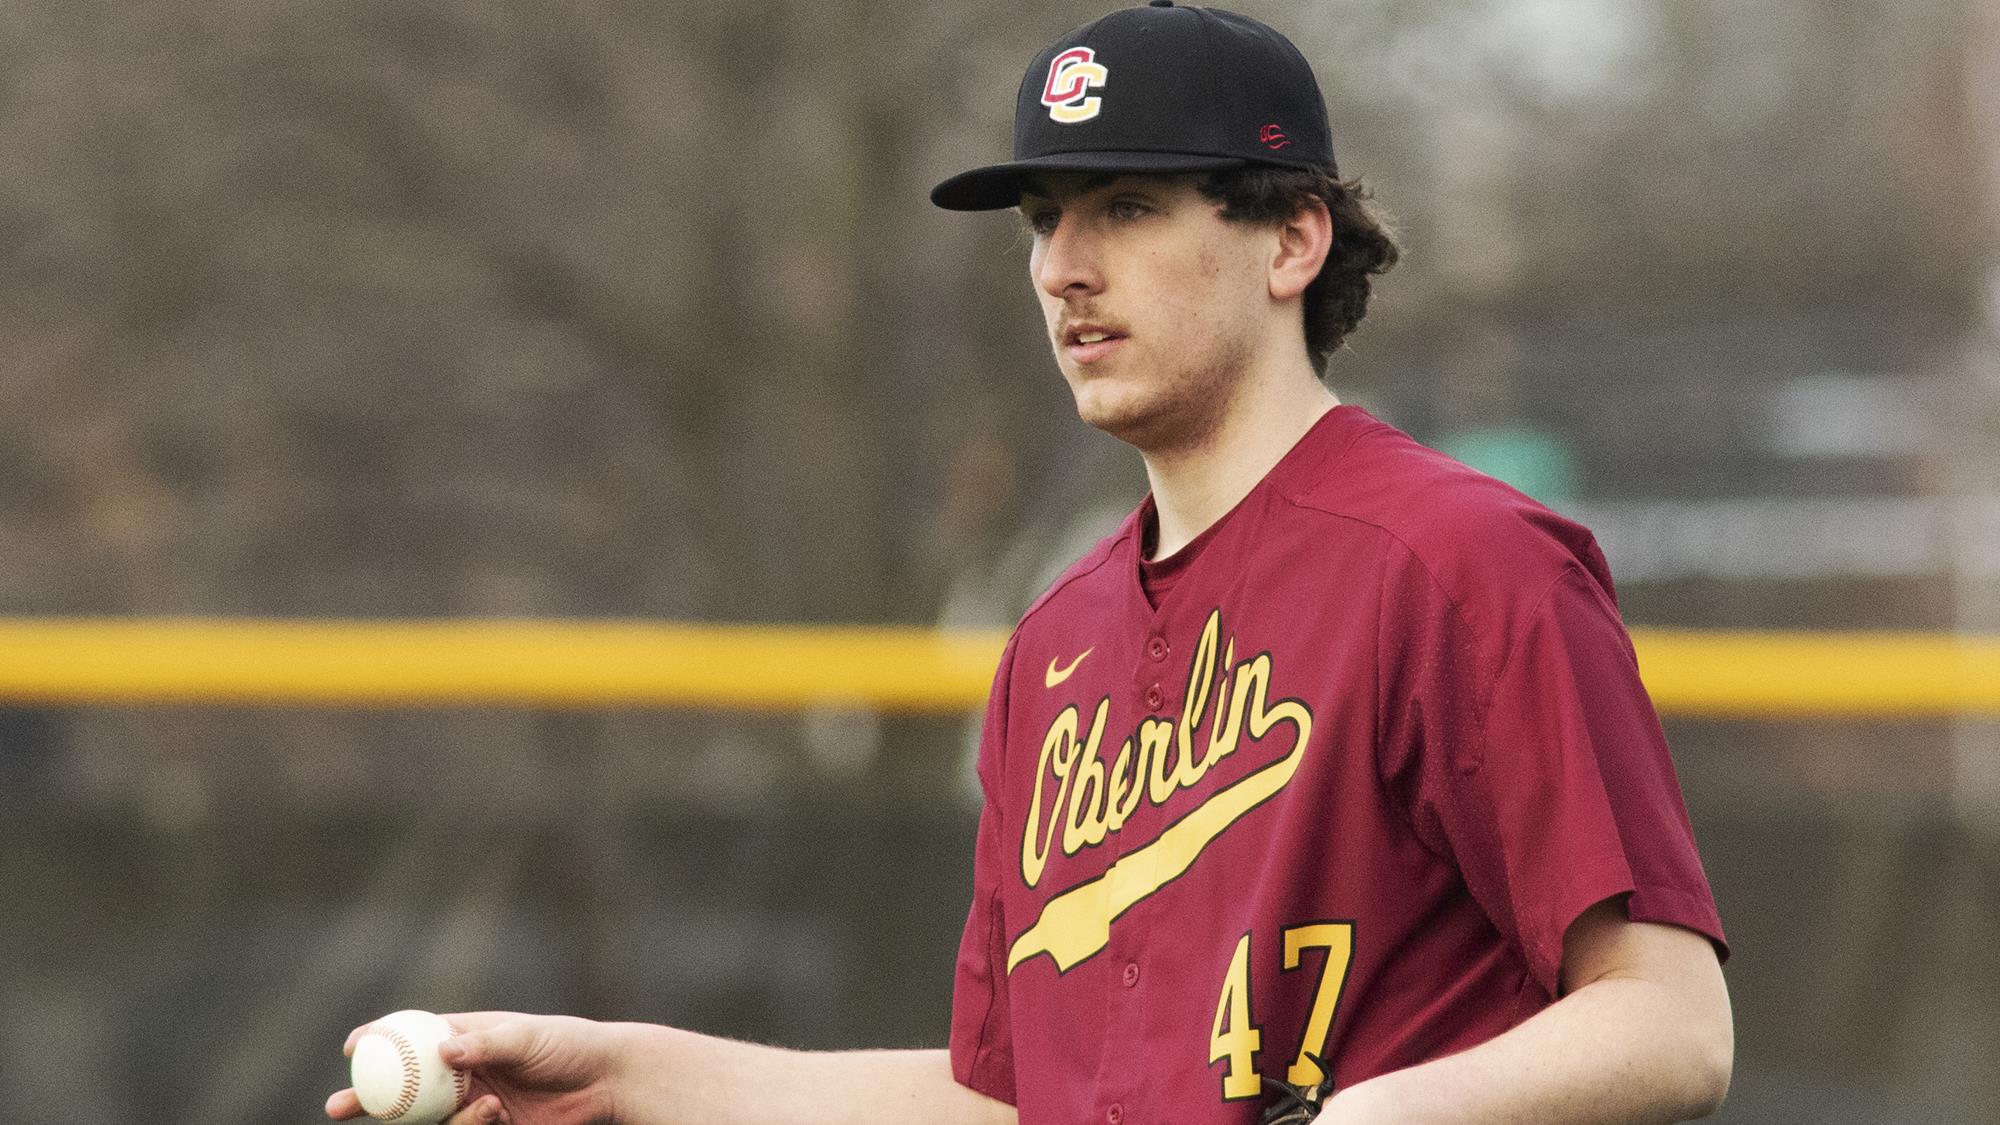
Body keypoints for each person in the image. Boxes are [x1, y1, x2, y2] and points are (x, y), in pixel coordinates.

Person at [327, 4, 1732, 1123]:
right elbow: (1008, 1097)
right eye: (1044, 218)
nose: (1064, 264)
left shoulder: (1463, 562)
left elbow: (1669, 1022)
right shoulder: (1053, 645)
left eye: (1125, 206)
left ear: (1293, 238)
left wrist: (1373, 1119)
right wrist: (629, 1078)